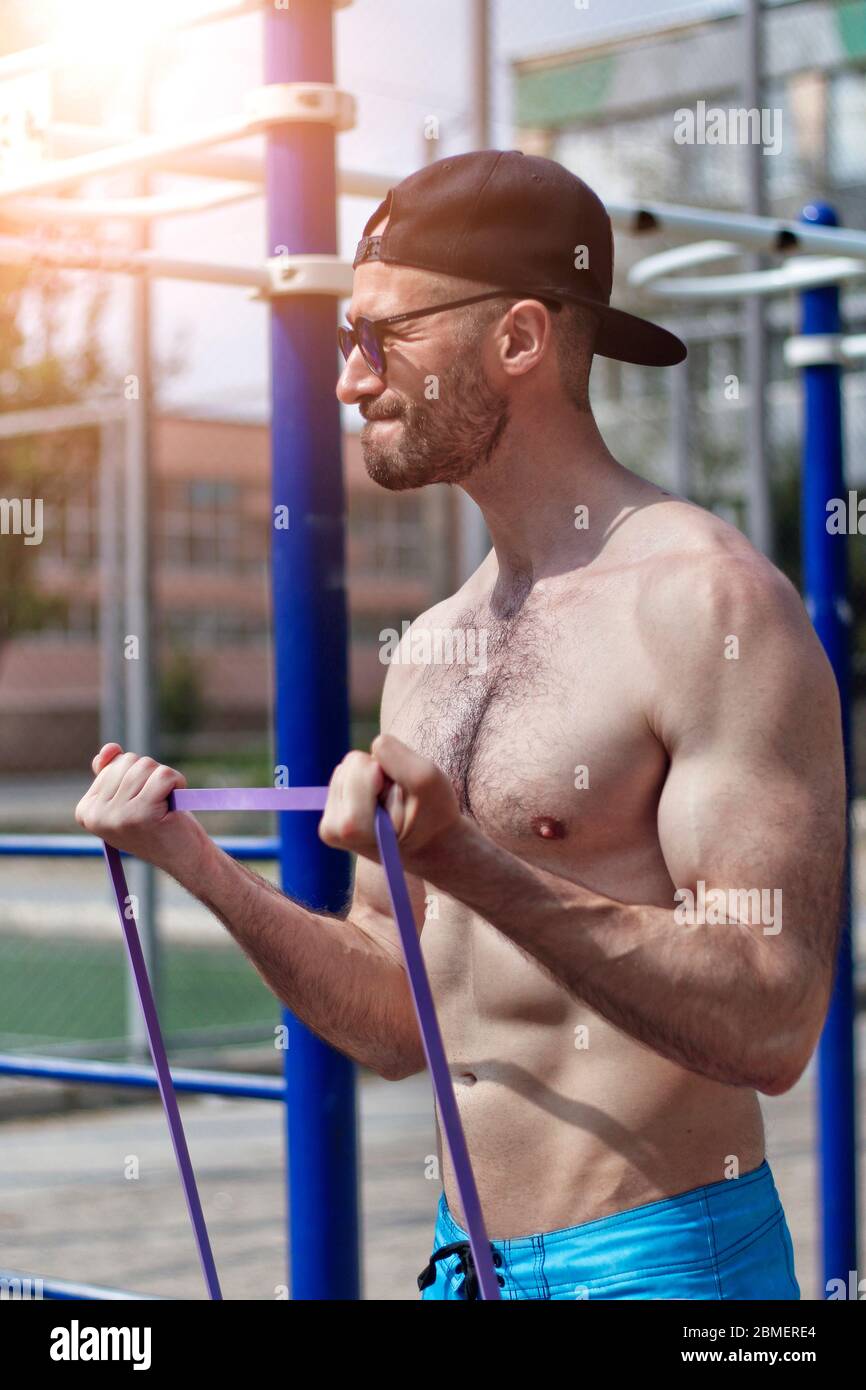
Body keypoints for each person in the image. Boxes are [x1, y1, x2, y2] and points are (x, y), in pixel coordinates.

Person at [76, 150, 845, 1301]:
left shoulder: (710, 603)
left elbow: (773, 1019)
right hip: (463, 1263)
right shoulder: (433, 642)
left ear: (520, 340)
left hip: (665, 1267)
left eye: (384, 336)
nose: (348, 380)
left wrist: (472, 865)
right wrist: (193, 863)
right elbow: (397, 1019)